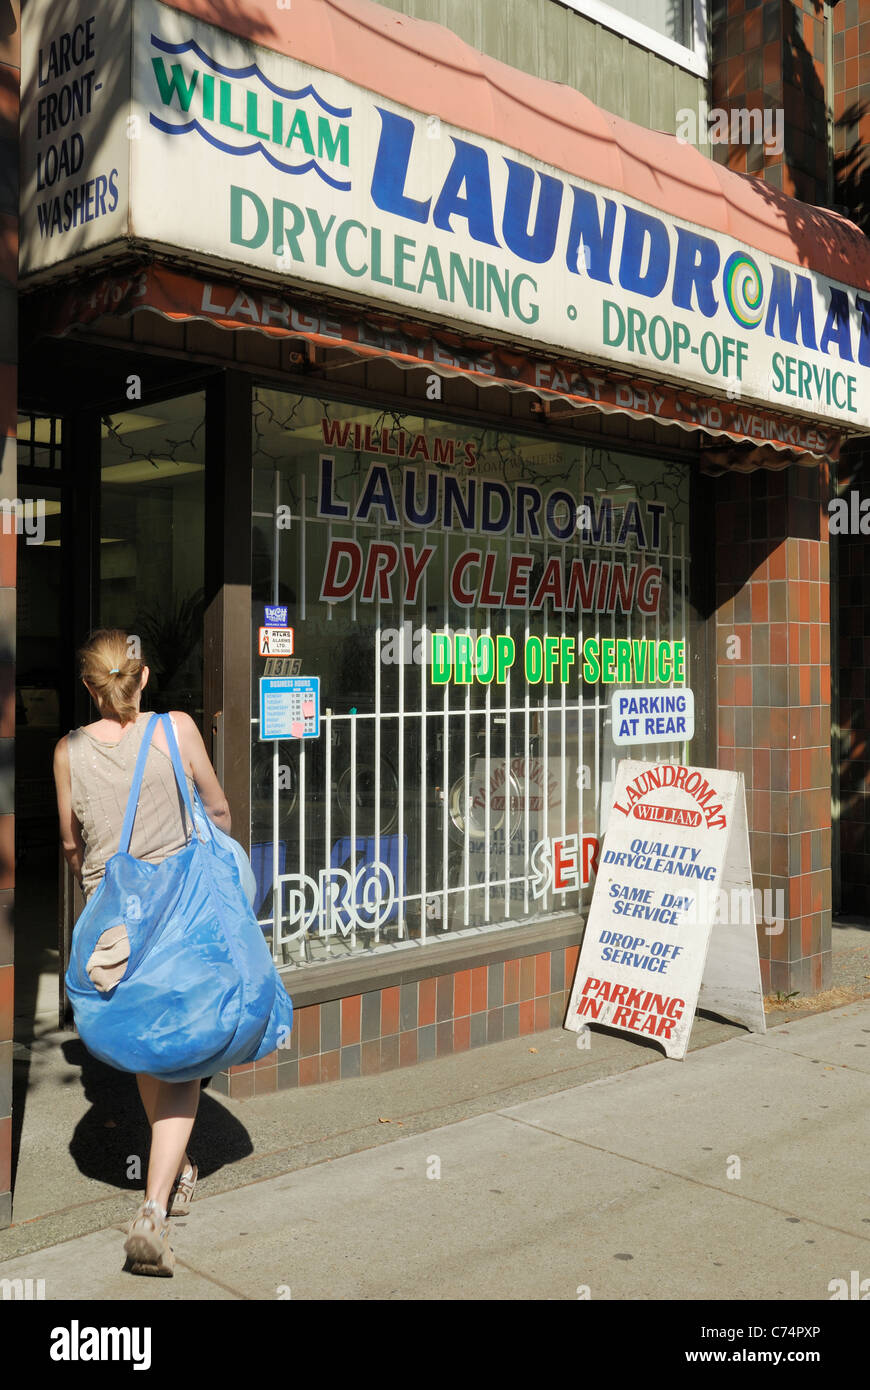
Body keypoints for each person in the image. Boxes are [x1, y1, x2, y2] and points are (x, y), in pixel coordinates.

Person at [53, 628, 231, 1277]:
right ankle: (152, 1211)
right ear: (144, 676)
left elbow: (72, 846)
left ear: (89, 687)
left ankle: (176, 1169)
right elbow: (221, 809)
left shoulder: (67, 751)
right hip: (178, 917)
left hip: (113, 928)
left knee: (150, 1055)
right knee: (180, 1063)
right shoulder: (176, 730)